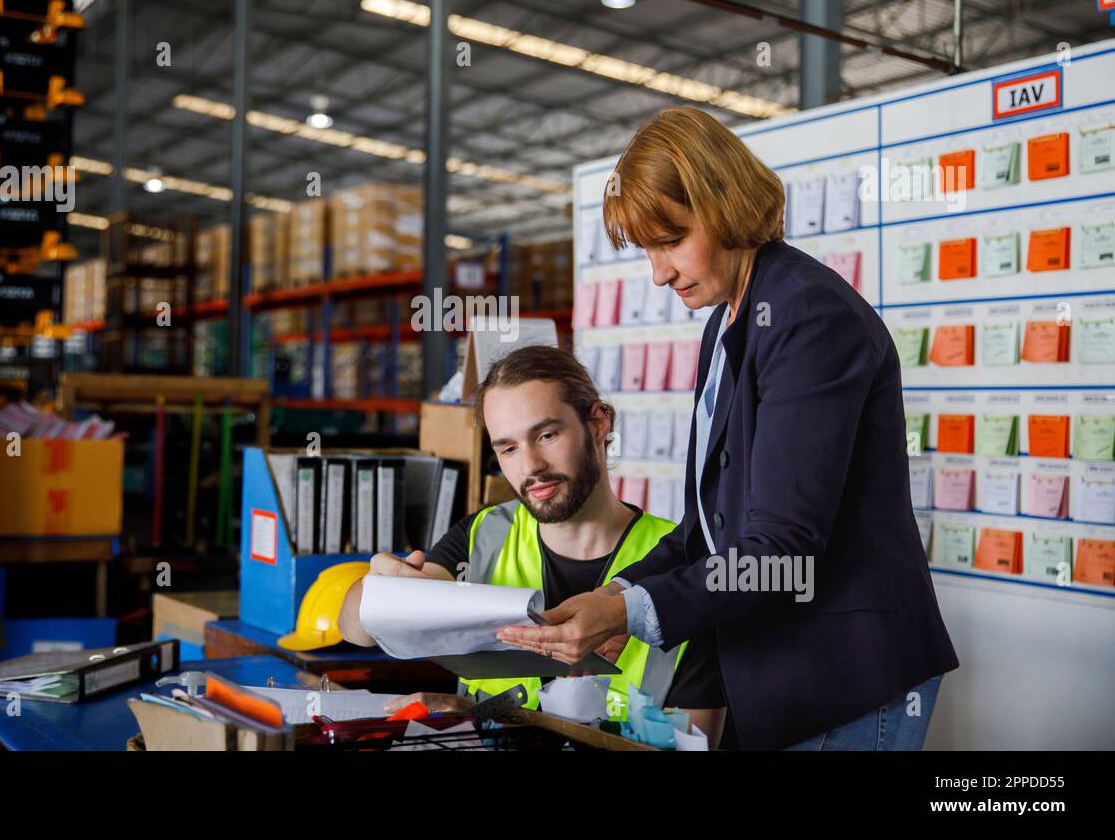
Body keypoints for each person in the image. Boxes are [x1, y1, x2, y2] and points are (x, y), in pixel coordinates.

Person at [498, 107, 959, 750]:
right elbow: (707, 532)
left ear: (725, 203)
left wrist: (628, 610)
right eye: (648, 251)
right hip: (780, 669)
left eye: (671, 242)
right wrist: (617, 595)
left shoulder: (808, 315)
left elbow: (782, 549)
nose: (659, 273)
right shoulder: (728, 322)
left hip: (843, 673)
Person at [337, 345, 726, 742]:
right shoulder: (485, 535)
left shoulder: (686, 564)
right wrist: (379, 588)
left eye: (546, 435)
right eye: (508, 448)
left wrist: (490, 721)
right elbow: (355, 630)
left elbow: (698, 740)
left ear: (598, 424)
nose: (531, 467)